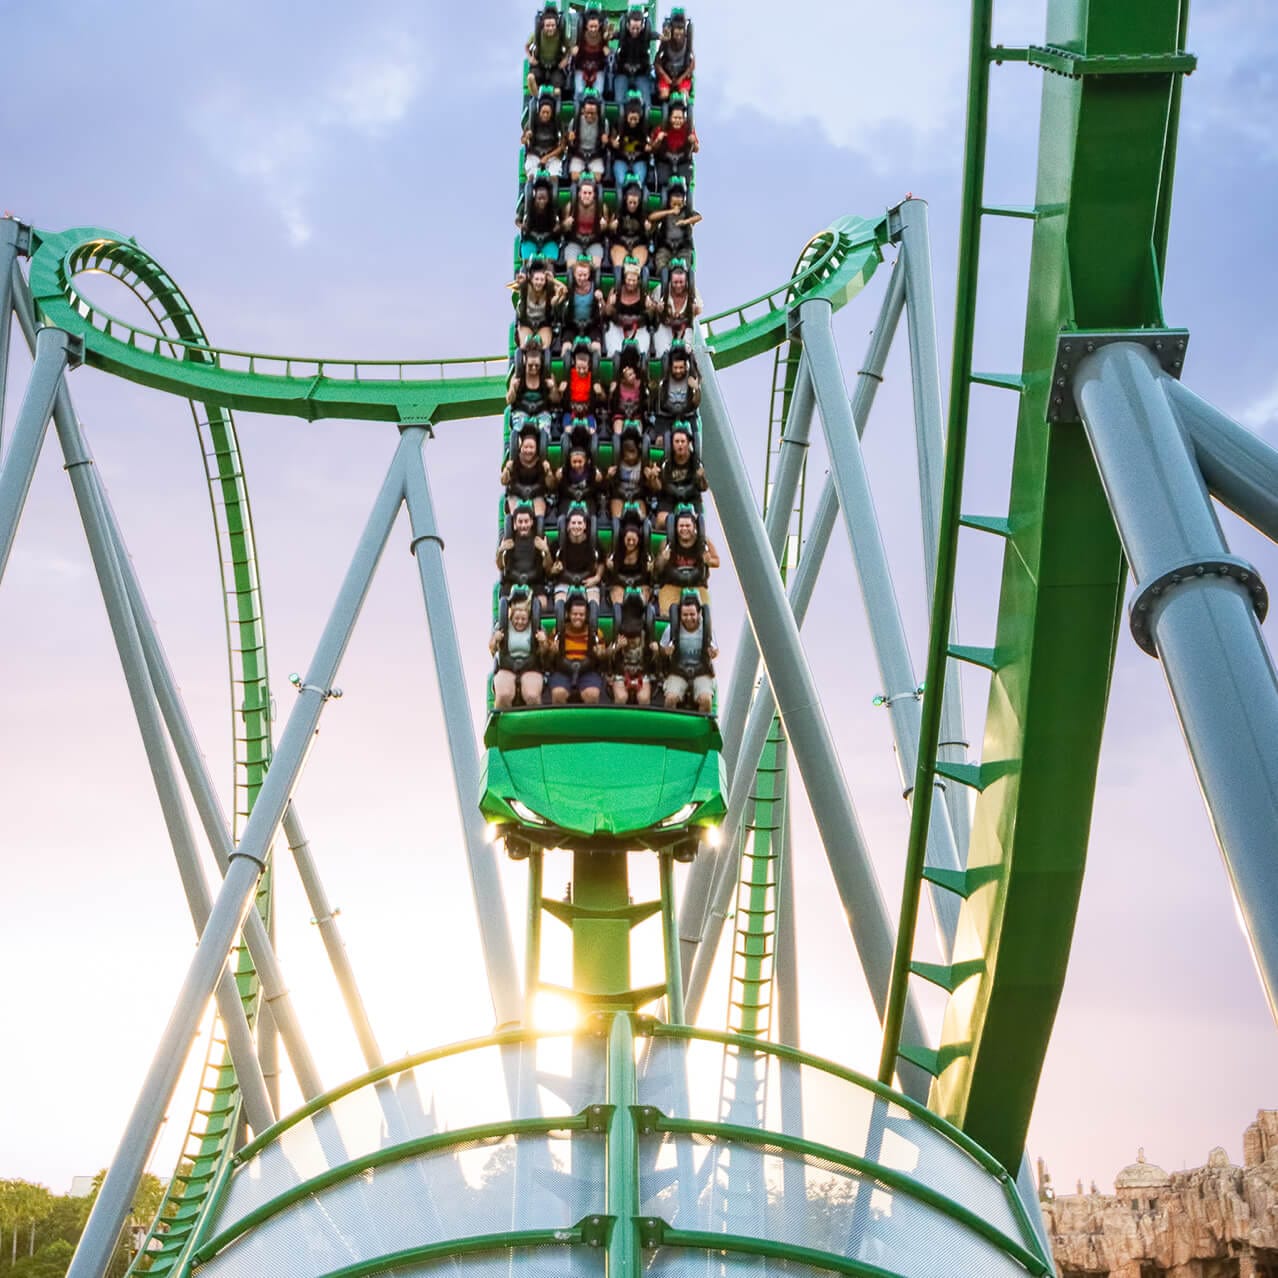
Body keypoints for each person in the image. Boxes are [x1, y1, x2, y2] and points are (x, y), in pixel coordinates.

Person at [660, 591, 717, 713]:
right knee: (671, 699)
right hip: (678, 670)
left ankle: (702, 725)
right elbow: (661, 650)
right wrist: (666, 652)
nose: (689, 618)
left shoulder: (707, 629)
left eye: (692, 614)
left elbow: (715, 650)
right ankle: (671, 727)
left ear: (699, 613)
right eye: (685, 615)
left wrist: (714, 653)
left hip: (701, 670)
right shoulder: (671, 629)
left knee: (706, 699)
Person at [654, 506, 718, 611]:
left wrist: (708, 560)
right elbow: (656, 570)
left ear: (694, 527)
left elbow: (716, 561)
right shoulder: (667, 543)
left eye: (688, 526)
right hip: (672, 585)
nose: (684, 529)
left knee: (702, 610)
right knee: (668, 611)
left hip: (696, 586)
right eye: (681, 526)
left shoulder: (703, 542)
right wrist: (663, 559)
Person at [490, 590, 547, 708]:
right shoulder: (502, 626)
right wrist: (495, 640)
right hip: (507, 667)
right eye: (517, 618)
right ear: (511, 616)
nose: (520, 622)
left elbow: (545, 653)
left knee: (532, 695)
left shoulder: (537, 627)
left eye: (523, 619)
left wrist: (543, 642)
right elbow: (492, 649)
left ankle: (535, 723)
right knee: (503, 695)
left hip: (531, 667)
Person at [548, 593, 608, 704]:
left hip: (587, 670)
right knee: (558, 693)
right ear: (568, 614)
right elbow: (549, 656)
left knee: (592, 694)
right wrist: (552, 651)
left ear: (586, 616)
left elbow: (602, 654)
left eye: (581, 615)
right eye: (575, 614)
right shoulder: (558, 631)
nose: (578, 617)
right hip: (563, 669)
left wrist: (600, 653)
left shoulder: (595, 632)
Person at [646, 422, 707, 530]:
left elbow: (703, 488)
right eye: (677, 442)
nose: (680, 445)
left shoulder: (695, 461)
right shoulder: (665, 461)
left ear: (688, 443)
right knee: (660, 522)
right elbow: (658, 487)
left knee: (698, 523)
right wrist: (653, 478)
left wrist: (701, 478)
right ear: (672, 444)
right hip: (669, 498)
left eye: (683, 441)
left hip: (690, 497)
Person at [498, 503, 553, 601]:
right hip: (512, 582)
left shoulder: (540, 539)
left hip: (534, 582)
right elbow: (500, 567)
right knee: (506, 602)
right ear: (515, 523)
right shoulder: (507, 539)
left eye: (526, 521)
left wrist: (546, 551)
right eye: (520, 522)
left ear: (531, 522)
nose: (523, 525)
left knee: (542, 602)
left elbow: (548, 569)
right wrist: (500, 551)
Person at [605, 256, 656, 357]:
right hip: (618, 327)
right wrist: (610, 304)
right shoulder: (616, 290)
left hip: (638, 328)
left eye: (634, 280)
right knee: (614, 352)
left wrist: (650, 307)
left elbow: (651, 315)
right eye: (629, 280)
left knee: (641, 353)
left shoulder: (644, 293)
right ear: (624, 278)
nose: (631, 283)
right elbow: (607, 312)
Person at [508, 337, 559, 436]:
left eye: (537, 365)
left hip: (542, 412)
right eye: (530, 365)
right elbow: (509, 400)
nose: (534, 368)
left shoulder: (547, 376)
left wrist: (553, 388)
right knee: (519, 429)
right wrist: (513, 389)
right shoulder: (518, 376)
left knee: (544, 431)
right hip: (521, 411)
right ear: (525, 362)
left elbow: (556, 399)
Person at [502, 424, 556, 517]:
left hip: (537, 493)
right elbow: (504, 482)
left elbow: (551, 485)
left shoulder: (542, 462)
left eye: (531, 448)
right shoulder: (513, 460)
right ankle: (516, 524)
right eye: (526, 447)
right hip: (516, 493)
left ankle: (538, 524)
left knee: (539, 507)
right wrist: (507, 469)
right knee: (514, 505)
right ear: (521, 447)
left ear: (536, 448)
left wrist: (548, 472)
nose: (528, 451)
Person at [513, 257, 566, 351]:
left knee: (544, 347)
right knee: (525, 346)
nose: (539, 282)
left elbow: (564, 290)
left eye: (542, 279)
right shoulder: (525, 288)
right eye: (536, 279)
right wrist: (521, 280)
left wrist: (553, 280)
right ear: (531, 280)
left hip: (543, 323)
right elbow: (517, 285)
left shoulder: (548, 289)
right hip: (527, 322)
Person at [557, 255, 605, 360]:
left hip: (591, 325)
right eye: (579, 275)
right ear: (574, 274)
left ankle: (593, 370)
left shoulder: (595, 288)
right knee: (566, 347)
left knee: (596, 346)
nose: (582, 278)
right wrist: (561, 297)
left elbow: (603, 312)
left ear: (589, 275)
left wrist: (601, 300)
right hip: (572, 325)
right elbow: (558, 309)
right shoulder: (569, 289)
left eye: (585, 275)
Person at [649, 177, 700, 274]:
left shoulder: (686, 211)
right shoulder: (665, 210)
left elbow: (698, 217)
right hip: (665, 246)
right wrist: (670, 211)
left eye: (679, 202)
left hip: (683, 246)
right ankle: (664, 275)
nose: (676, 205)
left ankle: (681, 275)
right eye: (674, 203)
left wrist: (686, 221)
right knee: (661, 262)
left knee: (684, 264)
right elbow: (652, 217)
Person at [653, 259, 700, 357]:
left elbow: (699, 309)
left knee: (686, 351)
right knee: (663, 353)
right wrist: (656, 307)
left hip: (685, 327)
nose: (678, 286)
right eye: (675, 282)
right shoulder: (660, 289)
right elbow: (650, 308)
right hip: (665, 326)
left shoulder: (692, 291)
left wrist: (695, 309)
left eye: (681, 282)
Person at [561, 173, 610, 267]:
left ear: (594, 195)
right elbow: (562, 229)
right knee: (571, 267)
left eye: (589, 193)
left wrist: (605, 226)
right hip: (575, 241)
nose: (587, 196)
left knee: (595, 266)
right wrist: (565, 225)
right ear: (579, 194)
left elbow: (607, 231)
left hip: (593, 242)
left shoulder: (601, 207)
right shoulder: (570, 206)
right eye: (584, 193)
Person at [650, 96, 698, 191]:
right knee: (662, 181)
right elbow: (652, 149)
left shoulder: (688, 128)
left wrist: (693, 143)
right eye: (675, 118)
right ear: (670, 117)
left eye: (680, 118)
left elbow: (696, 149)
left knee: (684, 181)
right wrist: (658, 140)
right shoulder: (662, 127)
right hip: (665, 160)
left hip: (682, 160)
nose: (678, 121)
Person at [653, 344, 701, 435]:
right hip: (666, 414)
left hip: (686, 414)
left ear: (685, 367)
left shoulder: (690, 378)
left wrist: (696, 388)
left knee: (692, 434)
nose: (678, 371)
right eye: (675, 368)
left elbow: (696, 403)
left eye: (681, 368)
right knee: (659, 439)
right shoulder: (666, 376)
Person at [607, 503, 651, 600]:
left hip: (640, 583)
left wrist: (651, 568)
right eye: (628, 540)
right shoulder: (616, 549)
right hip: (619, 583)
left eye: (634, 540)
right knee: (618, 596)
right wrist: (610, 567)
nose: (631, 543)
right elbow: (612, 575)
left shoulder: (644, 551)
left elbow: (648, 576)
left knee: (642, 596)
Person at [612, 6, 653, 109]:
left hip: (641, 74)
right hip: (622, 73)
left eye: (638, 28)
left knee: (647, 103)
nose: (635, 31)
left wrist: (638, 67)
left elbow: (658, 36)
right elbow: (609, 36)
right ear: (627, 25)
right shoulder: (622, 35)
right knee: (619, 101)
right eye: (632, 28)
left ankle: (645, 122)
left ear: (642, 27)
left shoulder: (645, 36)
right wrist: (608, 34)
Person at [559, 339, 605, 432]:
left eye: (584, 368)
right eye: (578, 368)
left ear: (589, 365)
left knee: (591, 431)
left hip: (588, 413)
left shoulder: (593, 377)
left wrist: (600, 392)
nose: (581, 371)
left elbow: (603, 398)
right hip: (571, 412)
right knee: (568, 430)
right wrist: (560, 391)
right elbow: (559, 399)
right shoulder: (569, 375)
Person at [517, 171, 562, 265]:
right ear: (534, 196)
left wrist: (558, 227)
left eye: (544, 199)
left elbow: (560, 223)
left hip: (549, 238)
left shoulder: (554, 207)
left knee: (550, 261)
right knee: (527, 261)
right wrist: (521, 225)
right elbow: (517, 220)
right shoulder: (526, 206)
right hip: (530, 238)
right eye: (539, 199)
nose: (541, 202)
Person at [610, 613, 654, 705]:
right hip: (621, 675)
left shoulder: (647, 645)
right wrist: (617, 647)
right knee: (621, 698)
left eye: (635, 638)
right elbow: (606, 658)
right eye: (629, 638)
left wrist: (657, 652)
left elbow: (655, 663)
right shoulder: (618, 644)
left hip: (642, 675)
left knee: (643, 699)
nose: (631, 641)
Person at [526, 6, 571, 97]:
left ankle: (549, 101)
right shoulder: (537, 35)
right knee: (530, 77)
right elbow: (526, 46)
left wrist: (565, 60)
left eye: (552, 26)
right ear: (543, 25)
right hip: (540, 65)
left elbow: (569, 48)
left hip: (555, 67)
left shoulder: (561, 35)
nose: (550, 28)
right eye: (547, 26)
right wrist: (530, 58)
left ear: (557, 25)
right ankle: (537, 98)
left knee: (557, 91)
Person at [567, 89, 609, 181]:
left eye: (592, 113)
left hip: (595, 154)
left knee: (597, 178)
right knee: (574, 177)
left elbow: (604, 147)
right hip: (579, 154)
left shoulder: (603, 123)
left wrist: (605, 142)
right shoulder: (575, 122)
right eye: (587, 113)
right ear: (583, 110)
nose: (590, 116)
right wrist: (570, 140)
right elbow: (570, 144)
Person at [611, 95, 651, 191]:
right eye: (631, 119)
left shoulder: (645, 127)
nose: (633, 122)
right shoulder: (619, 125)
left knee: (639, 182)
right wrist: (612, 142)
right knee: (621, 181)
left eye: (635, 119)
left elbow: (651, 142)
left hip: (639, 159)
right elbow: (612, 138)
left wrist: (649, 146)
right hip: (622, 158)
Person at [522, 89, 565, 178]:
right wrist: (526, 137)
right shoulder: (532, 122)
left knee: (554, 175)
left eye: (547, 113)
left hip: (552, 154)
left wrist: (547, 157)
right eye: (543, 112)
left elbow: (562, 146)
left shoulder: (557, 123)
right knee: (532, 174)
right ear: (539, 112)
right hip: (534, 154)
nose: (545, 115)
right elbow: (522, 140)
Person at [610, 178, 651, 270]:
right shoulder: (619, 210)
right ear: (625, 200)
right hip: (620, 242)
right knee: (618, 267)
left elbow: (648, 236)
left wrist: (648, 229)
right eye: (630, 202)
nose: (632, 205)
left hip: (638, 243)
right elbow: (610, 233)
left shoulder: (643, 212)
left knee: (637, 268)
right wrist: (612, 227)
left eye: (635, 203)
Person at [654, 8, 694, 103]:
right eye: (676, 29)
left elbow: (692, 64)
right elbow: (657, 62)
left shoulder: (687, 44)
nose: (678, 33)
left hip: (682, 76)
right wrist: (665, 77)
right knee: (664, 94)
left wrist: (681, 78)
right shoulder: (666, 42)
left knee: (684, 95)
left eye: (681, 29)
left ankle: (681, 112)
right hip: (667, 75)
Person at [607, 349, 650, 436]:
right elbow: (611, 404)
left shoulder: (640, 384)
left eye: (633, 373)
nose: (633, 376)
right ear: (623, 379)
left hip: (636, 415)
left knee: (637, 428)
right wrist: (611, 393)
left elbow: (646, 402)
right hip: (620, 414)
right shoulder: (617, 386)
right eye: (630, 375)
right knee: (618, 426)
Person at [571, 6, 609, 102]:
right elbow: (572, 52)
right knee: (579, 91)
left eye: (595, 27)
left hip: (597, 70)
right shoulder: (580, 38)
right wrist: (573, 52)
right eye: (591, 27)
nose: (593, 29)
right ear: (586, 26)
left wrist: (607, 52)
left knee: (598, 92)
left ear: (599, 26)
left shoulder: (603, 39)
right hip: (582, 69)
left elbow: (608, 54)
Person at [556, 439, 601, 511]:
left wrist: (583, 493)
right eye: (574, 462)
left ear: (585, 461)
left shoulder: (591, 471)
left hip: (587, 496)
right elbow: (563, 487)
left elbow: (593, 487)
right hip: (569, 496)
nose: (577, 465)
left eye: (580, 462)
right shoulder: (565, 471)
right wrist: (573, 492)